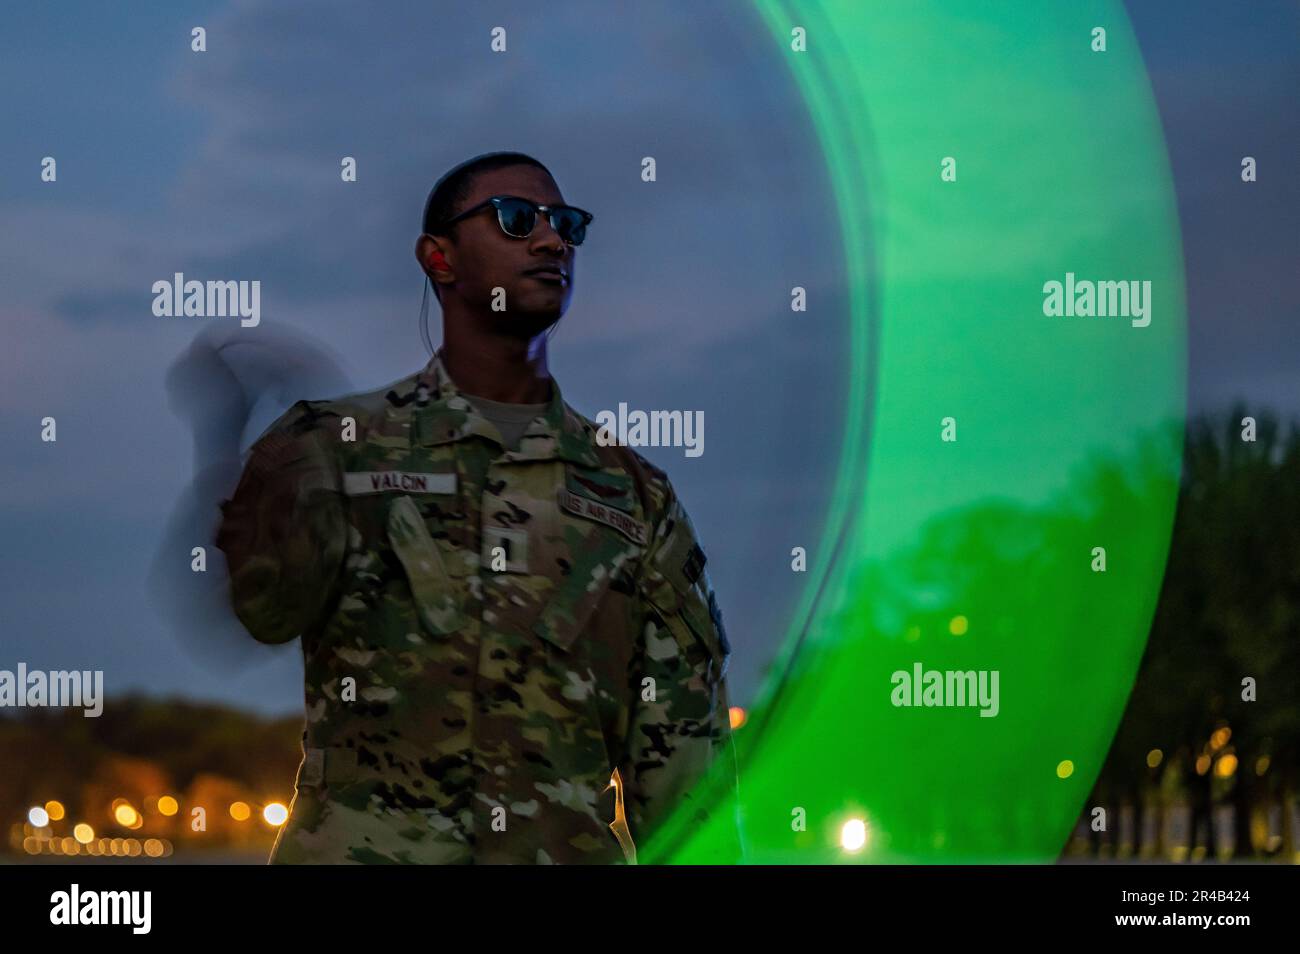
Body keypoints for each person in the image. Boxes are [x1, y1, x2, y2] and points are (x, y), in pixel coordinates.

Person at [215, 151, 743, 864]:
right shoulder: (340, 449)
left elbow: (685, 777)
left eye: (567, 226)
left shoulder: (633, 493)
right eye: (517, 220)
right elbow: (261, 613)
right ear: (440, 258)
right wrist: (255, 465)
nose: (552, 241)